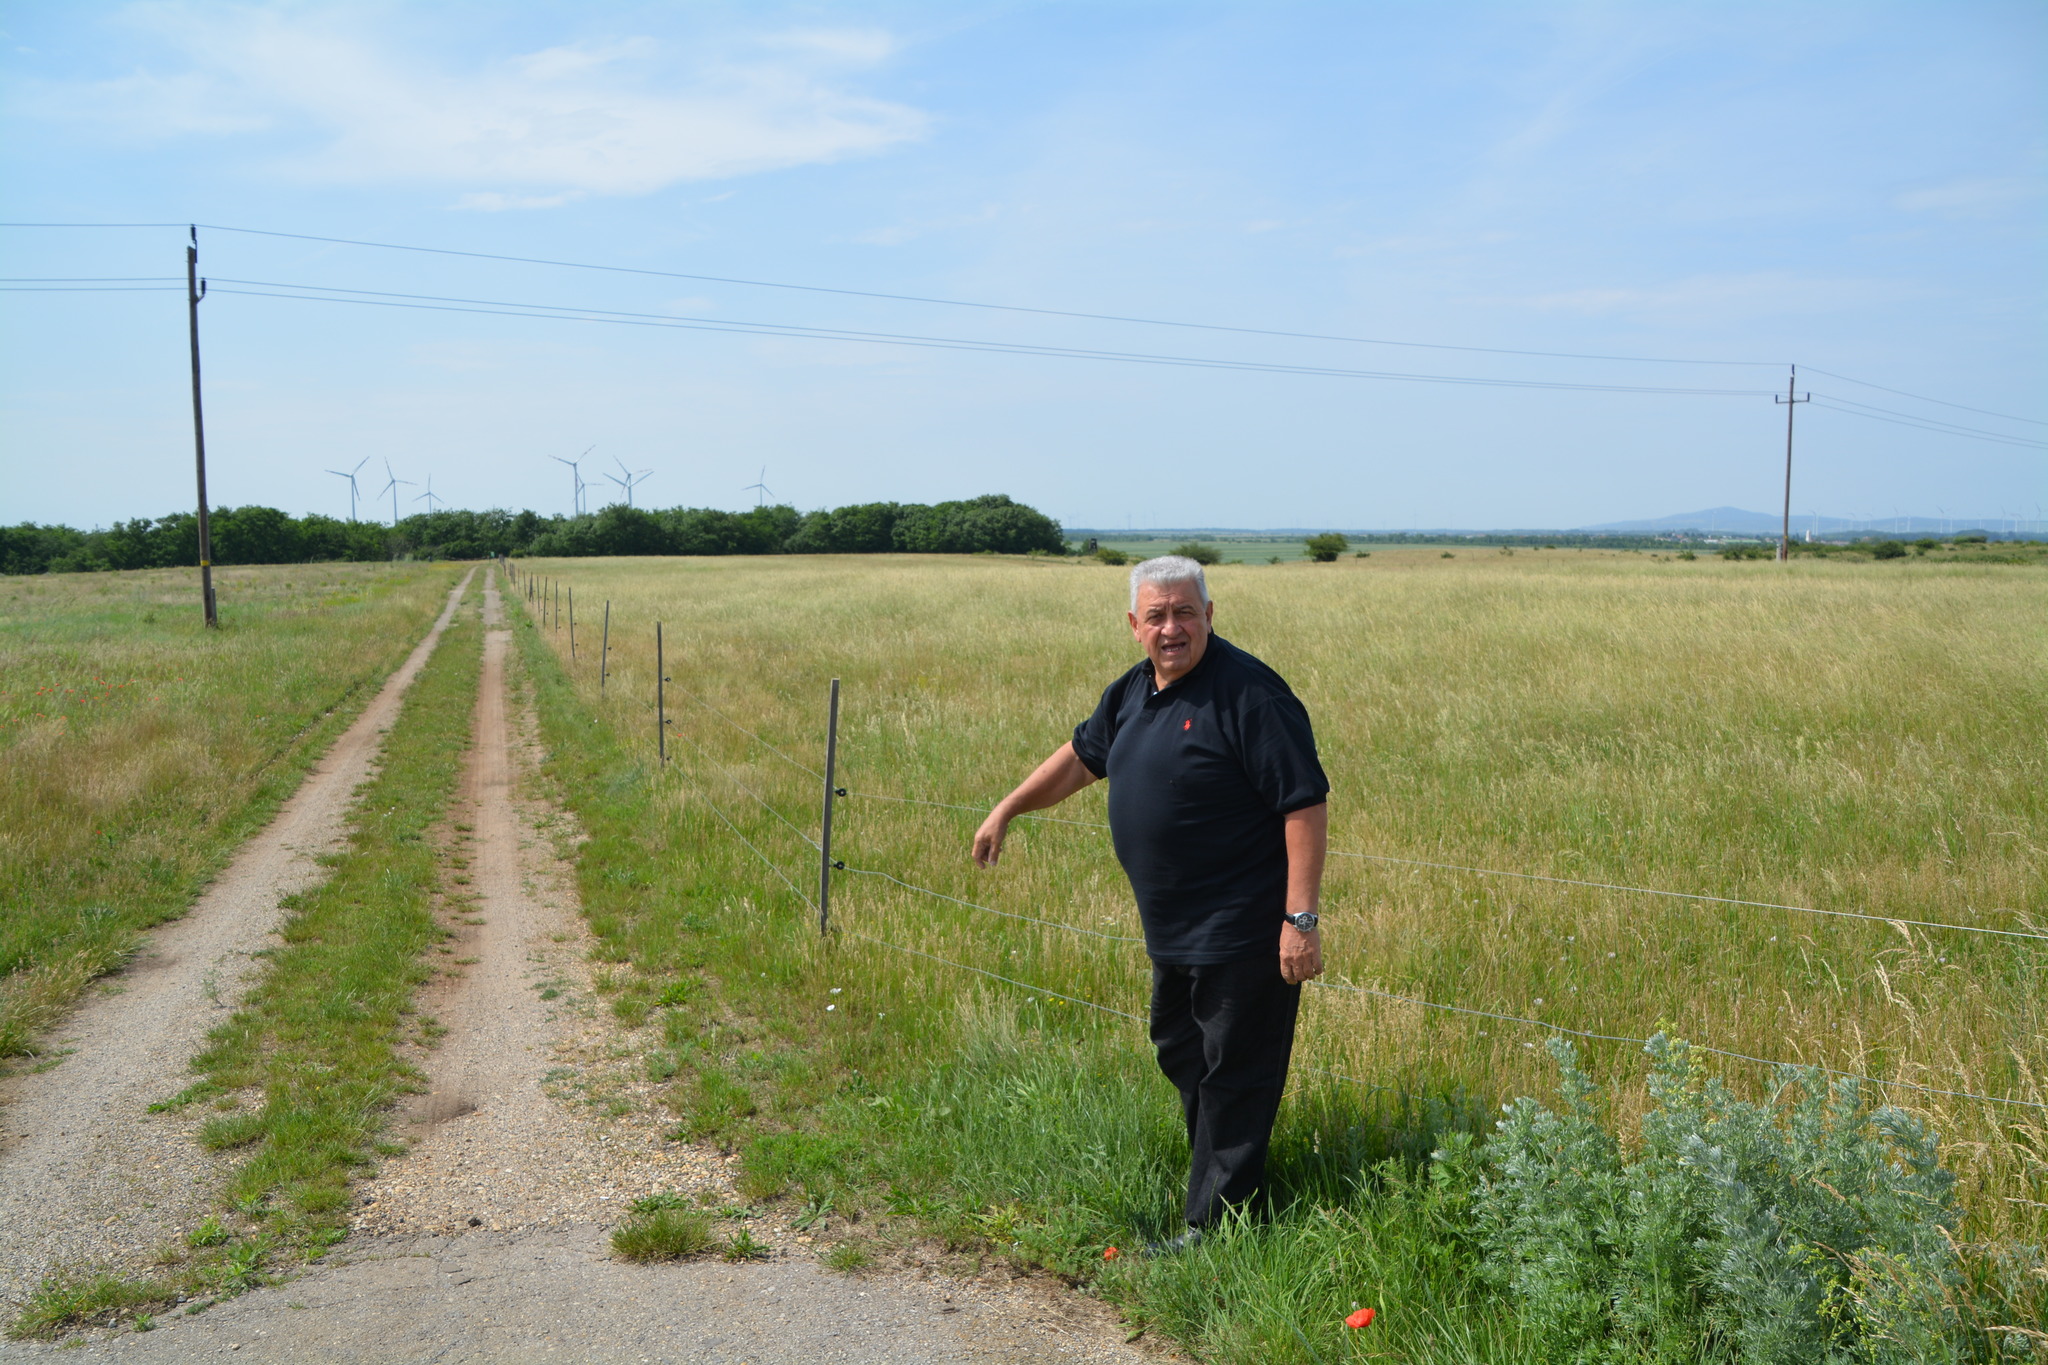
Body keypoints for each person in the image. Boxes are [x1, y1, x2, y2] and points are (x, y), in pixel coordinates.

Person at [972, 554, 1329, 1251]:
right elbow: (1081, 757)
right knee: (1182, 1052)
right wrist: (1009, 806)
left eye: (1185, 612)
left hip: (1243, 925)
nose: (1173, 628)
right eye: (1158, 615)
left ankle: (1217, 1230)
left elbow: (1304, 805)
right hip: (1172, 927)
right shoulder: (1134, 690)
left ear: (1209, 616)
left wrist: (1300, 919)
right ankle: (1223, 1185)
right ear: (1135, 624)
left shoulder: (1250, 694)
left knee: (1235, 1074)